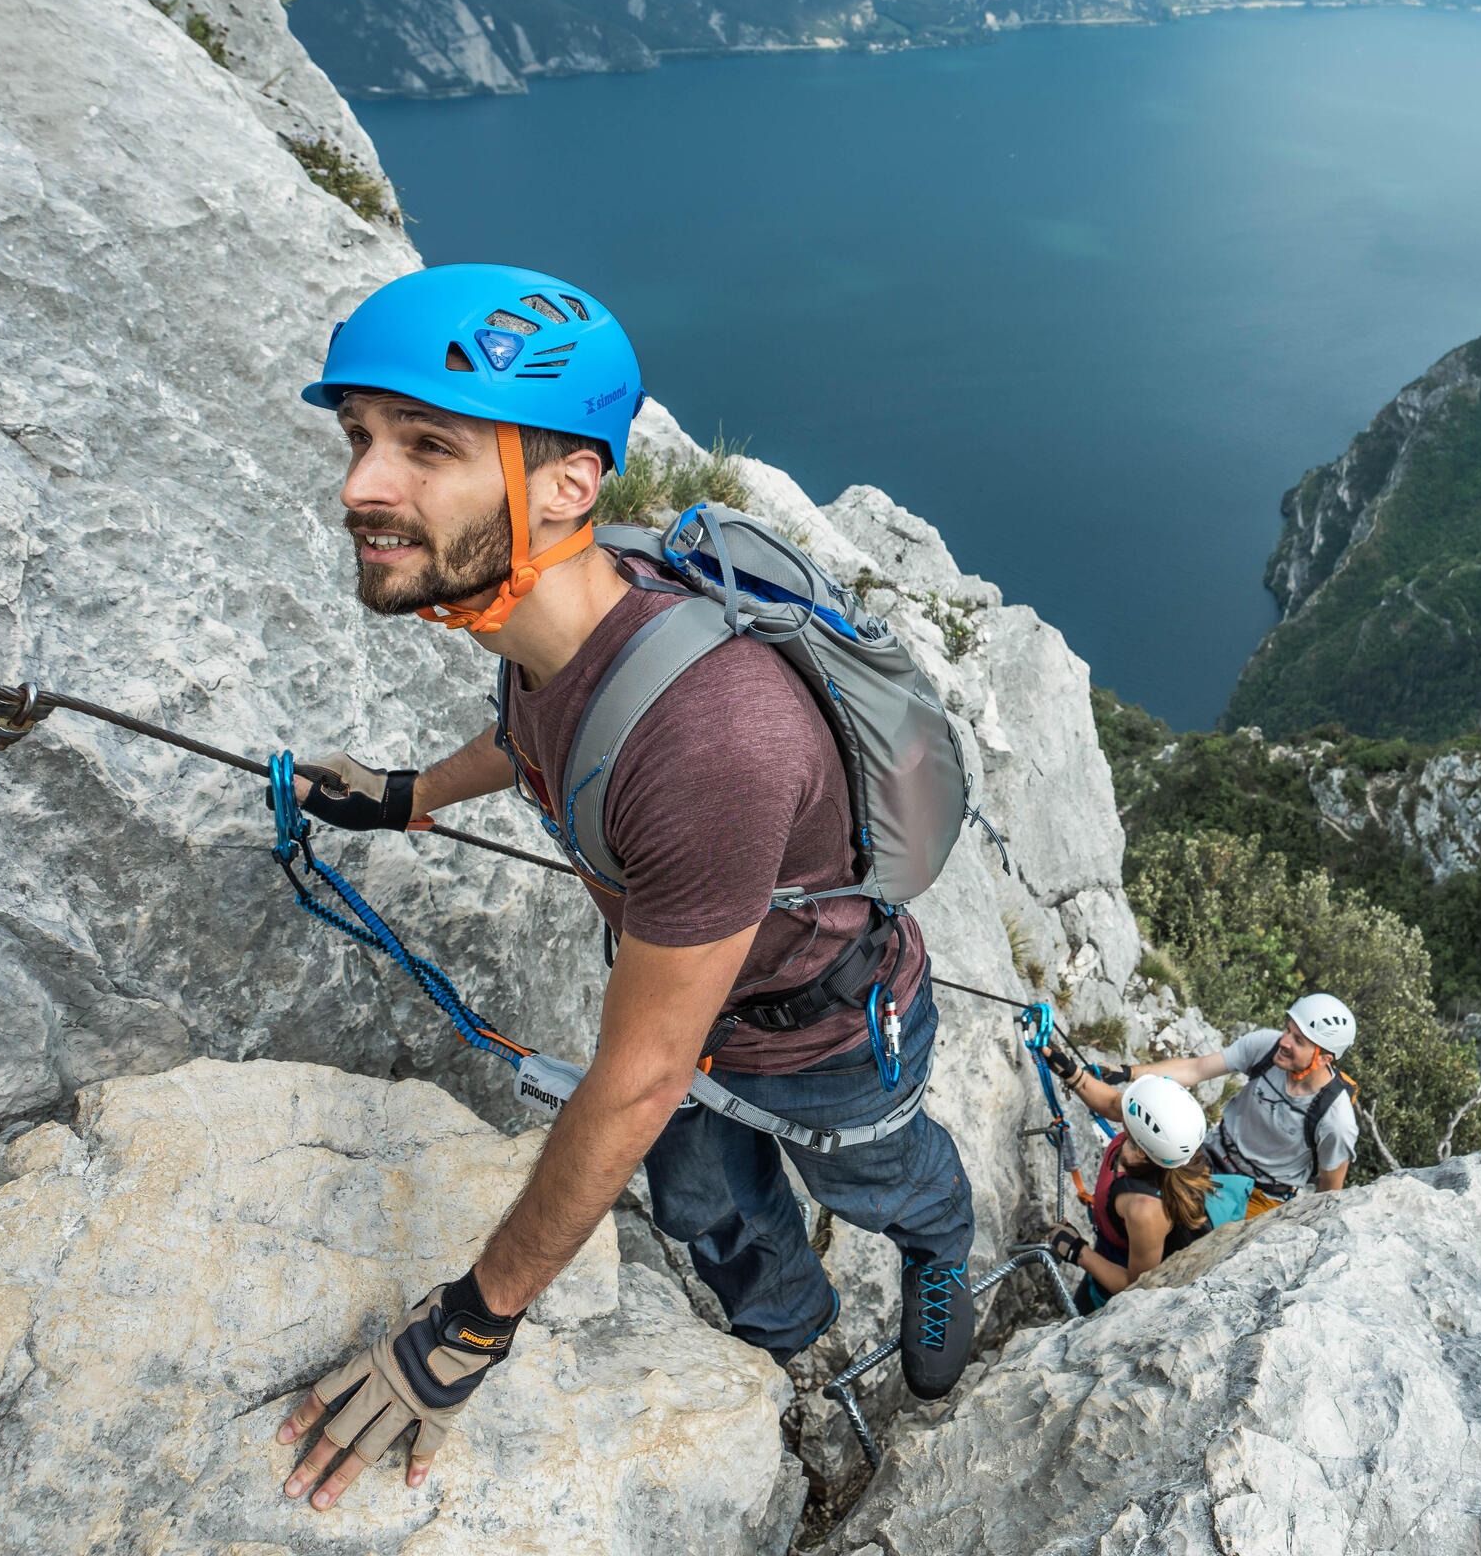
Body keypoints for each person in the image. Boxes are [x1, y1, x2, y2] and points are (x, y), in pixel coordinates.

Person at [265, 264, 976, 1514]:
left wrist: (470, 1324)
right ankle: (785, 1331)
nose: (361, 485)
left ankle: (939, 1249)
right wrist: (410, 792)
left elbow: (639, 1077)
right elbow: (538, 733)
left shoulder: (713, 742)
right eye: (360, 436)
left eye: (426, 444)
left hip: (823, 1029)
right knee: (704, 1200)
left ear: (569, 485)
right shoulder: (555, 618)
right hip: (691, 990)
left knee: (875, 1176)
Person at [1121, 993, 1359, 1216]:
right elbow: (1196, 1069)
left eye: (1298, 1040)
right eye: (1288, 1030)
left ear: (1324, 1058)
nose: (1284, 1041)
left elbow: (1329, 1191)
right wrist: (1129, 1073)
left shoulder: (1336, 1120)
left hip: (1260, 1196)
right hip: (1211, 1156)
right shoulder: (1267, 1048)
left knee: (1193, 1236)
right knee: (1138, 1194)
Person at [1041, 1074, 1213, 1307]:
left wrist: (1078, 1251)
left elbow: (1136, 1287)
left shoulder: (1145, 1210)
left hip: (1115, 1285)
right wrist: (1070, 1071)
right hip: (1110, 1245)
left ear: (1140, 1149)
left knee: (1084, 1310)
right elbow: (1112, 1103)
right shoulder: (1150, 1142)